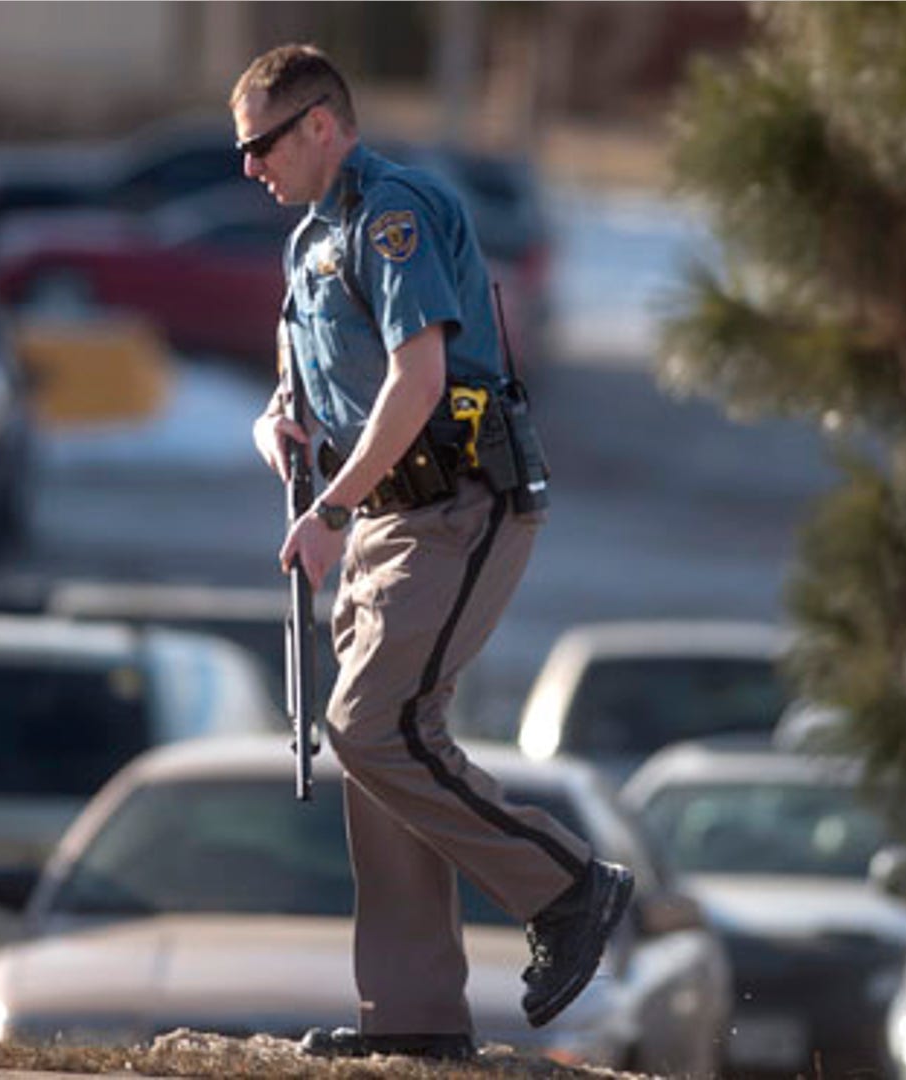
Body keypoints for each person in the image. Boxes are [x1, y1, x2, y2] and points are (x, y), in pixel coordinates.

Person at [231, 43, 632, 1061]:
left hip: (458, 502)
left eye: (262, 144)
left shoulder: (391, 213)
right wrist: (282, 425)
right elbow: (305, 387)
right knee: (378, 759)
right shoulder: (309, 241)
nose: (248, 168)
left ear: (320, 124)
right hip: (382, 522)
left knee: (374, 725)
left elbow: (418, 380)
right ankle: (411, 1025)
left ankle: (570, 888)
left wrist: (326, 508)